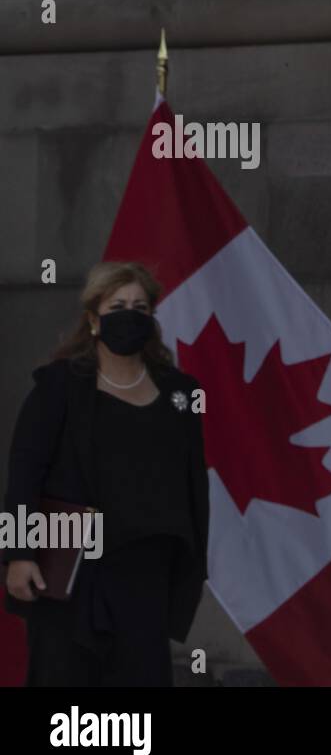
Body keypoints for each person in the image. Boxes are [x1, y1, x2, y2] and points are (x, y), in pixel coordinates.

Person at [2, 262, 209, 686]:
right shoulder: (59, 385)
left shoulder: (181, 393)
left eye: (139, 306)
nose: (129, 315)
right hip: (72, 568)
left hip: (146, 574)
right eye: (117, 306)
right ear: (94, 320)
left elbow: (193, 484)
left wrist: (191, 564)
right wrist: (19, 555)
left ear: (151, 318)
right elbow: (25, 470)